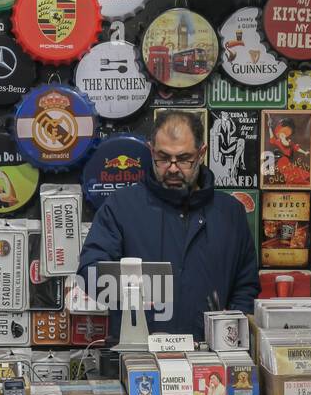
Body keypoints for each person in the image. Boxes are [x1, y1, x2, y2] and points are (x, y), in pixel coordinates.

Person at [77, 110, 258, 341]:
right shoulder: (121, 206)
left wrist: (229, 331)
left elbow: (247, 284)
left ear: (201, 153)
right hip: (139, 353)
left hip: (209, 357)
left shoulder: (230, 213)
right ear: (151, 151)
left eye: (183, 159)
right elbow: (89, 272)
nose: (172, 168)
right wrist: (136, 291)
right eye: (163, 158)